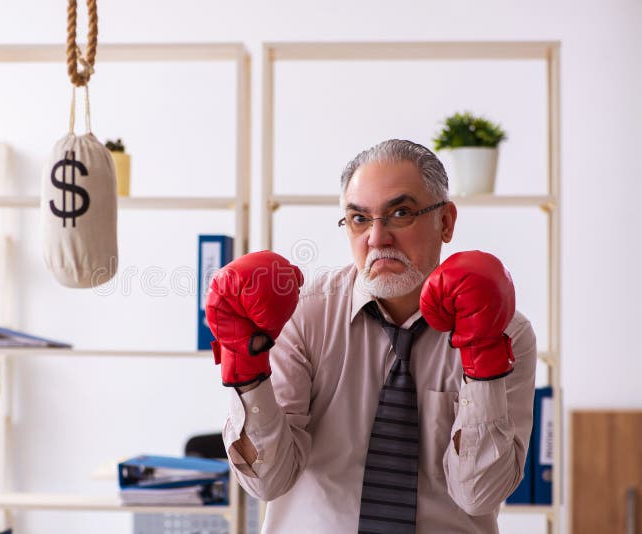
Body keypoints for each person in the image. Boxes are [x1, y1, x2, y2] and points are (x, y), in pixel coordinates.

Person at [206, 139, 536, 533]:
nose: (377, 238)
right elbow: (267, 480)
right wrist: (244, 364)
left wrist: (483, 357)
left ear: (445, 222)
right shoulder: (305, 315)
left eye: (400, 213)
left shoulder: (507, 332)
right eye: (359, 219)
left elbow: (479, 495)